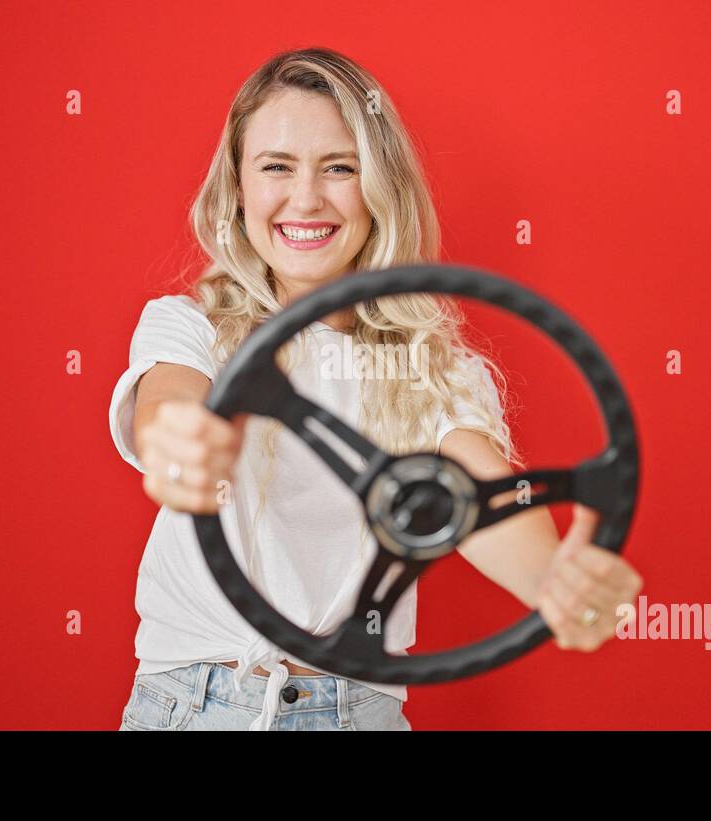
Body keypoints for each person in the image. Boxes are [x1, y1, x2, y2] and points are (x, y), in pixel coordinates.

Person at [110, 47, 644, 731]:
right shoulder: (189, 326)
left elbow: (483, 497)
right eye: (276, 166)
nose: (306, 198)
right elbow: (169, 408)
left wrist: (559, 583)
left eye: (341, 167)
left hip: (357, 713)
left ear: (380, 189)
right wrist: (181, 442)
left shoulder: (435, 368)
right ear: (237, 189)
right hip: (194, 705)